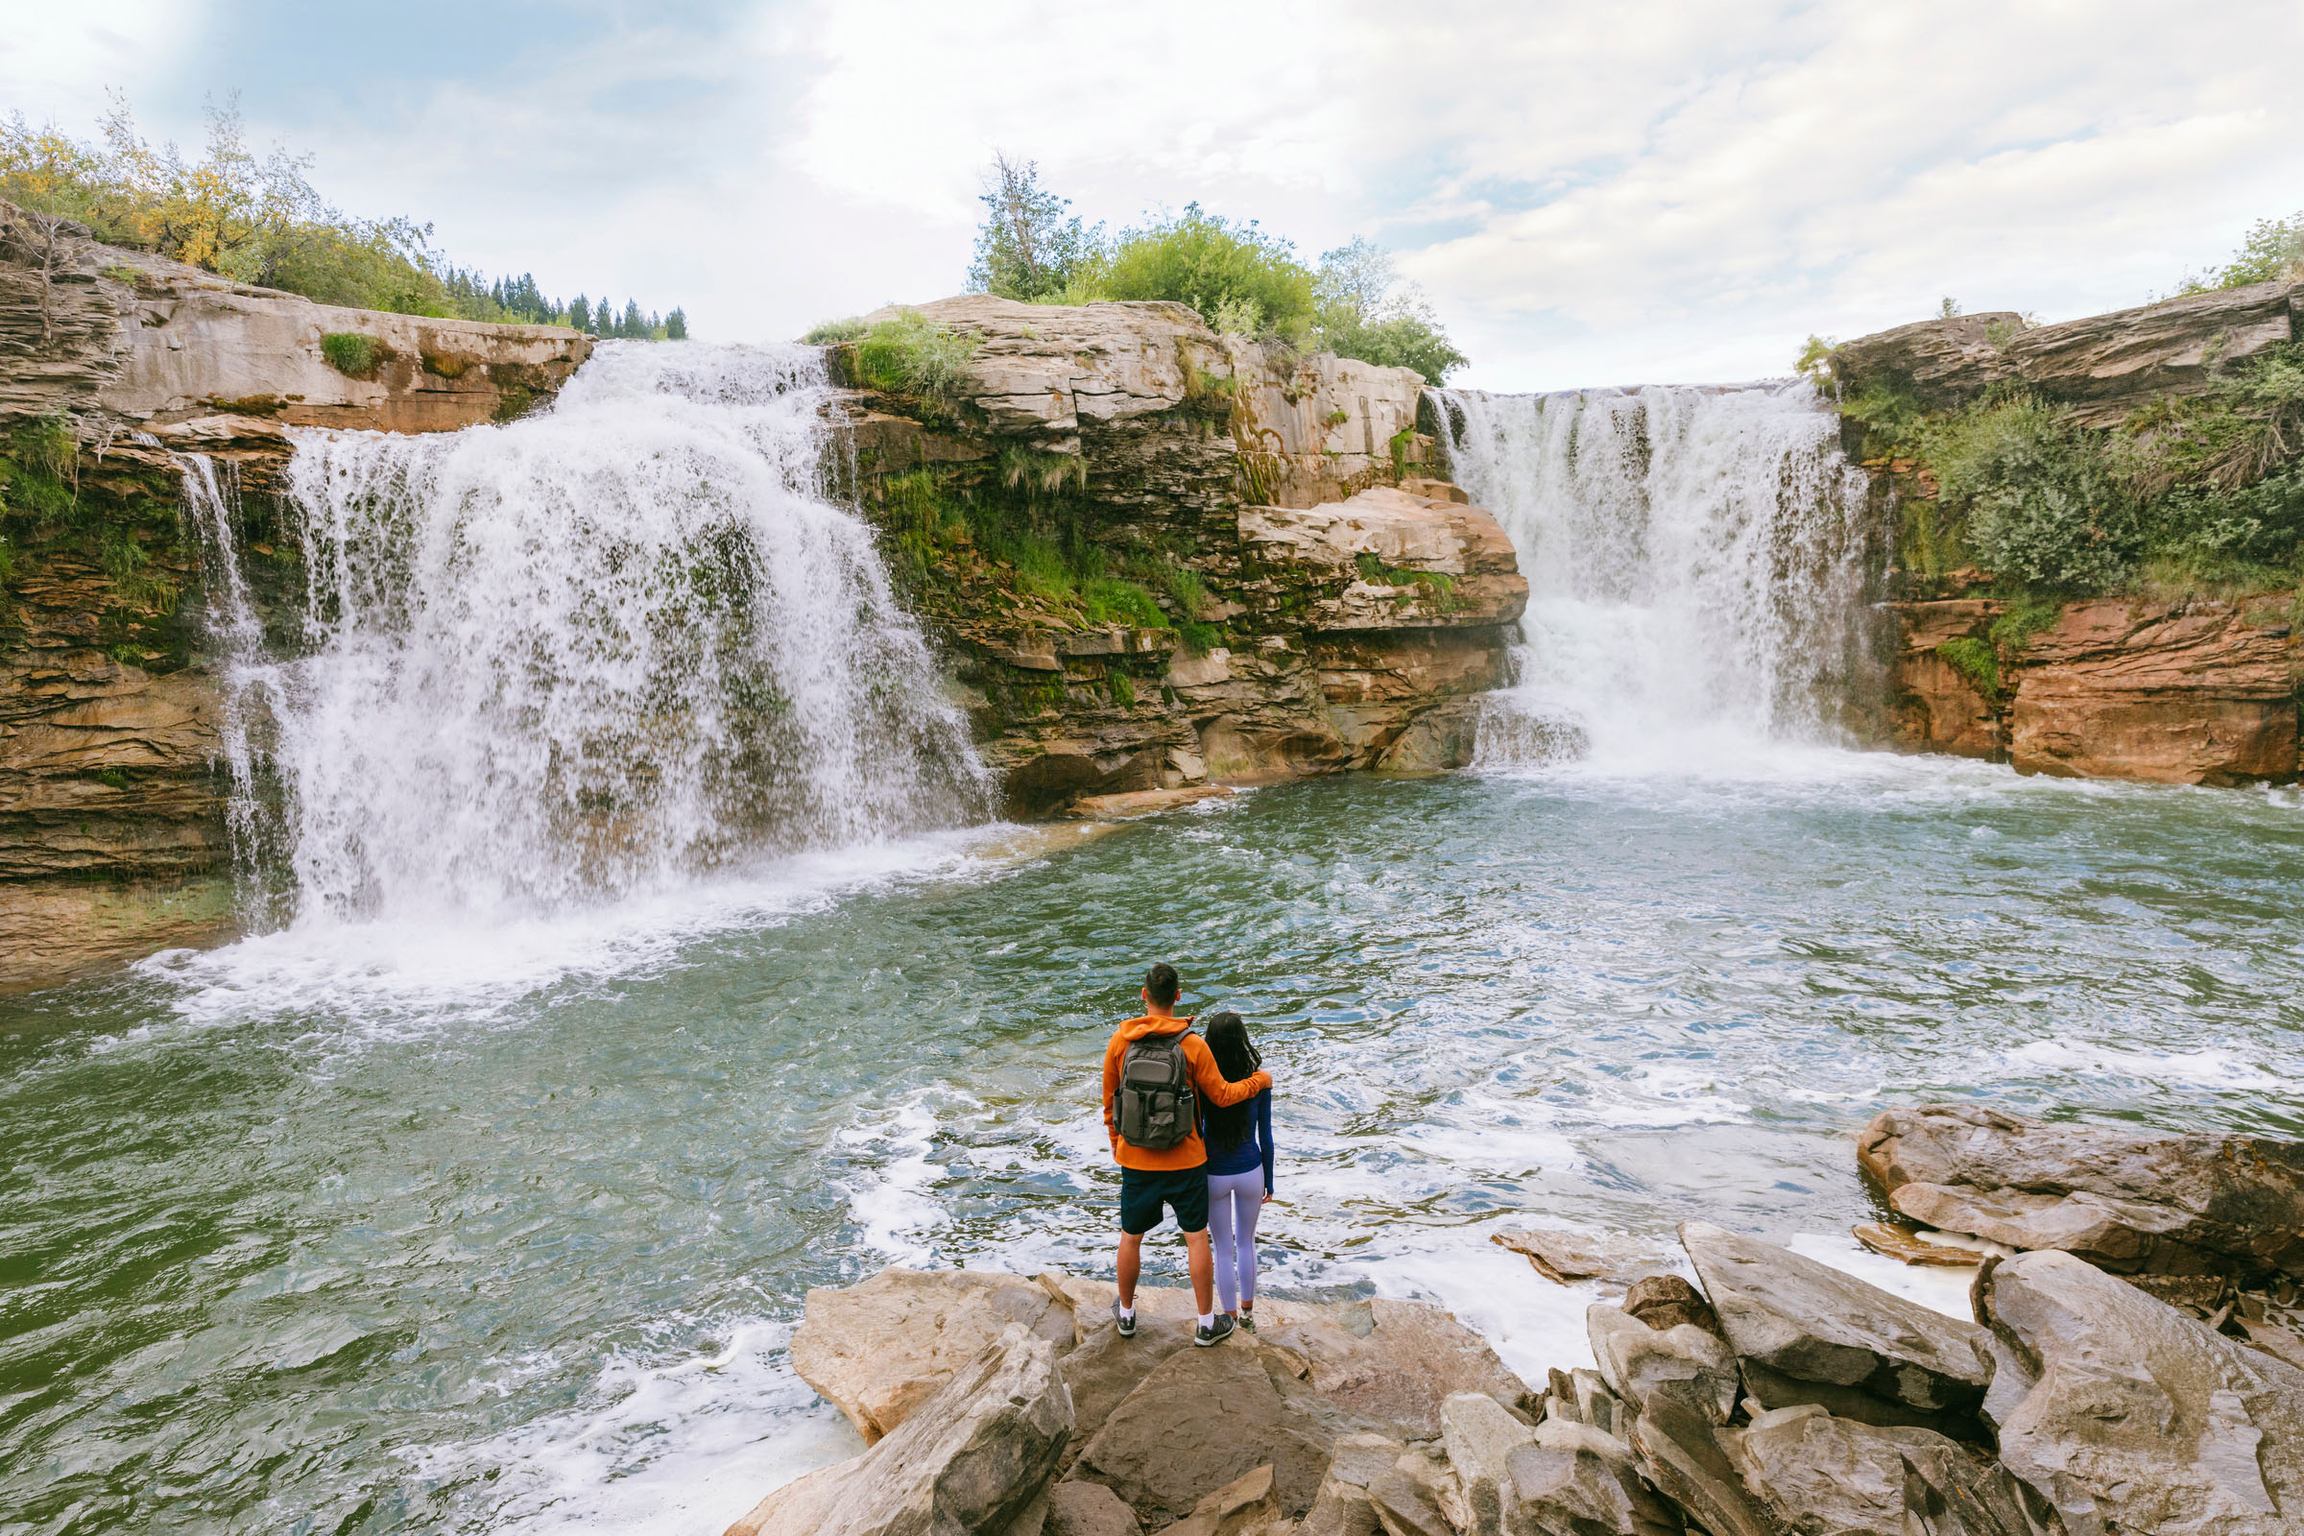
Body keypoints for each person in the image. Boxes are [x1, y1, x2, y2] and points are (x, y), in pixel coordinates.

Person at [1102, 962, 1272, 1347]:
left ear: (1144, 995)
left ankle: (1126, 1314)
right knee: (1196, 1239)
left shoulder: (1119, 1042)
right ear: (1178, 996)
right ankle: (1206, 1324)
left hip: (1136, 1160)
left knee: (1131, 1237)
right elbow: (1223, 1096)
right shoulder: (1192, 1045)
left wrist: (1118, 1146)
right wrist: (1259, 1081)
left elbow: (1110, 1104)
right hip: (1187, 1160)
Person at [1198, 1011, 1273, 1332]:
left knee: (1222, 1247)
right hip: (1250, 1170)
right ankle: (1248, 1314)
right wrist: (1270, 1181)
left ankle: (1227, 1317)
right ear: (1243, 1040)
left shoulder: (1202, 1081)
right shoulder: (1258, 1081)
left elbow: (1196, 1131)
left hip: (1214, 1173)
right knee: (1246, 1242)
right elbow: (1266, 1136)